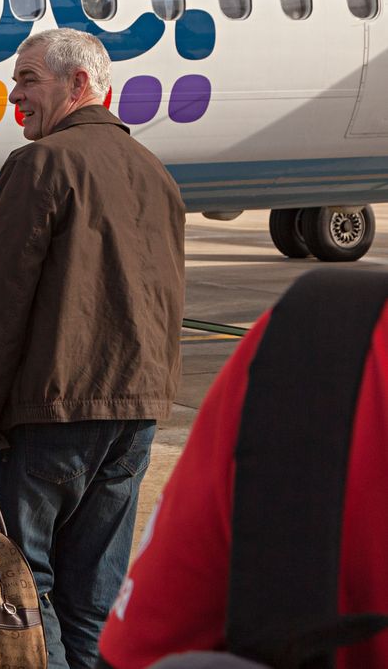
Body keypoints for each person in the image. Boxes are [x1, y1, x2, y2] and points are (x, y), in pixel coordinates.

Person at [0, 28, 185, 669]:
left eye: (27, 79)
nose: (15, 94)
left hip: (54, 412)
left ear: (78, 85)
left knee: (26, 590)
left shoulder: (40, 165)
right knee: (93, 598)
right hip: (133, 412)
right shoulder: (154, 171)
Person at [97, 272, 388, 669]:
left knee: (44, 578)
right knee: (93, 581)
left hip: (68, 405)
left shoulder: (320, 343)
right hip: (134, 401)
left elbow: (143, 646)